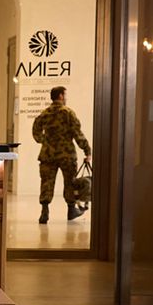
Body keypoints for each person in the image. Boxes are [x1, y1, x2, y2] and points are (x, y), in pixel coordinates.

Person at [32, 85, 91, 223]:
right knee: (70, 183)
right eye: (65, 95)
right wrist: (87, 150)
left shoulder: (45, 113)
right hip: (67, 155)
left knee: (46, 183)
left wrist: (45, 142)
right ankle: (71, 210)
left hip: (48, 155)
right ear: (60, 96)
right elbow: (77, 134)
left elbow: (35, 132)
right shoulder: (68, 112)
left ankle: (44, 212)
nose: (66, 97)